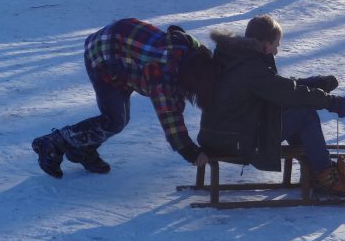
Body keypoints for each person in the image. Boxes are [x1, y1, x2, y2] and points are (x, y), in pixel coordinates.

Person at [197, 14, 345, 199]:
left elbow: (275, 87)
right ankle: (323, 175)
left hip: (218, 135)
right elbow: (285, 92)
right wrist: (333, 103)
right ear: (266, 45)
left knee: (292, 110)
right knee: (304, 114)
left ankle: (316, 168)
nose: (277, 51)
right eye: (277, 45)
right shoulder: (250, 67)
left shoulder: (234, 59)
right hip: (236, 141)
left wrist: (313, 83)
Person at [31, 18, 215, 179]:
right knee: (115, 120)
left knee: (118, 118)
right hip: (103, 54)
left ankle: (82, 148)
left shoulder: (195, 52)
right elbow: (169, 114)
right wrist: (189, 151)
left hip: (127, 52)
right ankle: (53, 142)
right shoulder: (162, 74)